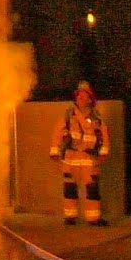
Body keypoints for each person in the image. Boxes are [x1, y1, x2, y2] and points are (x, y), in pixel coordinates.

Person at [49, 81, 111, 226]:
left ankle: (93, 218)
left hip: (89, 160)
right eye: (79, 97)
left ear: (90, 99)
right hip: (71, 158)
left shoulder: (97, 119)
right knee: (69, 189)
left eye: (84, 97)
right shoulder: (69, 116)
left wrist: (103, 153)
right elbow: (57, 133)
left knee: (92, 190)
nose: (81, 100)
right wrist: (54, 151)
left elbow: (104, 137)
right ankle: (70, 217)